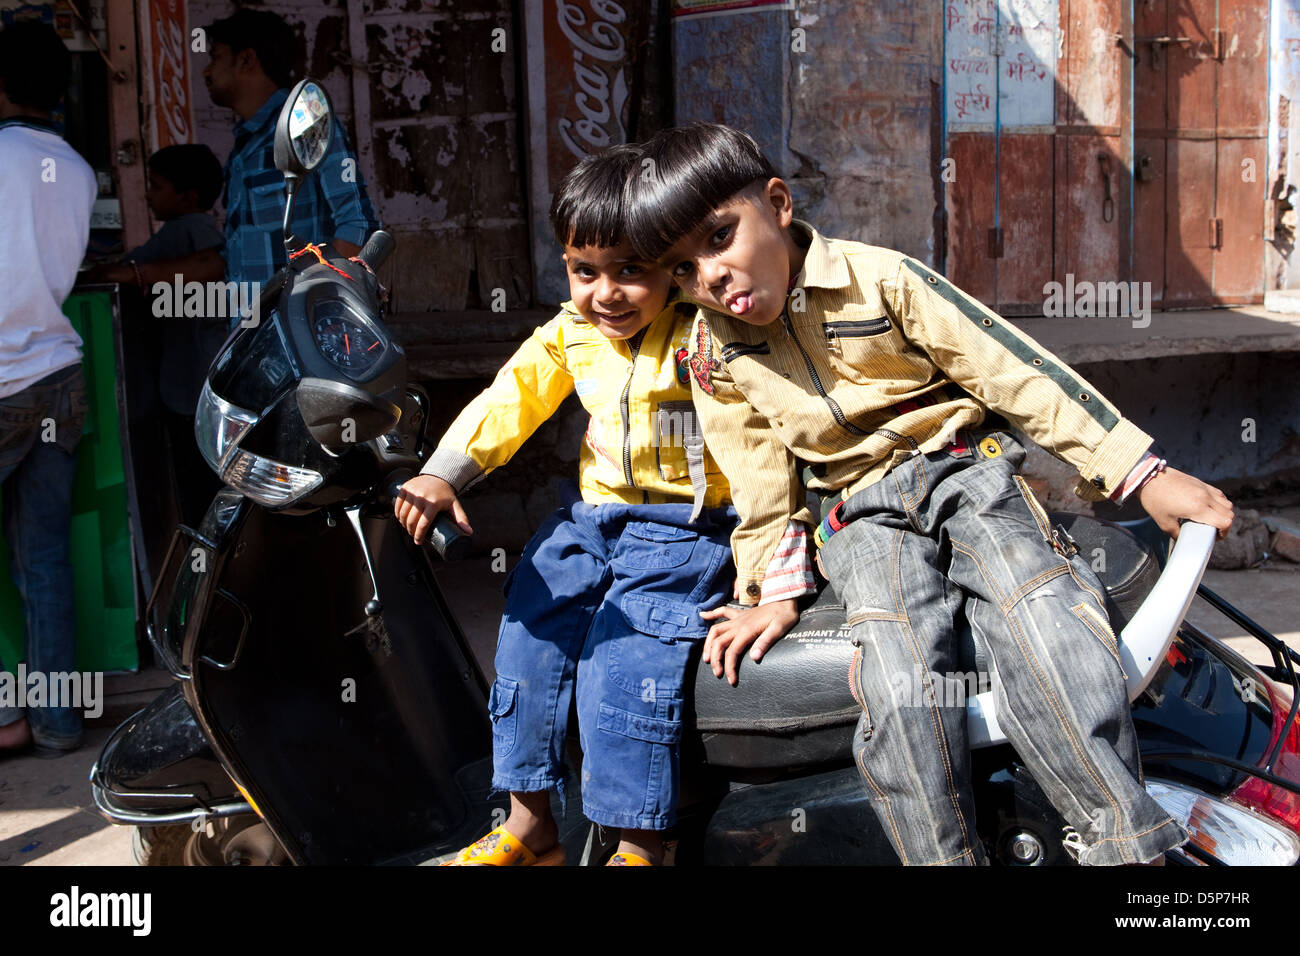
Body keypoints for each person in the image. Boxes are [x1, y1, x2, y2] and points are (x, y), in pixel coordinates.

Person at [623, 123, 1236, 866]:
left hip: (967, 475)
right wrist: (772, 589)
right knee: (898, 677)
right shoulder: (712, 352)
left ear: (778, 204)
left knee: (1040, 614)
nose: (709, 278)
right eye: (684, 271)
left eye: (719, 238)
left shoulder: (884, 279)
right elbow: (758, 480)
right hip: (863, 517)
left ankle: (1126, 847)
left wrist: (1140, 471)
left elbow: (1012, 371)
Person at [393, 146, 813, 865]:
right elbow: (508, 399)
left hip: (686, 530)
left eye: (631, 271)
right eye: (585, 270)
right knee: (527, 642)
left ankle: (643, 845)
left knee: (623, 669)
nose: (605, 294)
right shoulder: (571, 335)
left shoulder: (704, 333)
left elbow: (764, 444)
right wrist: (444, 474)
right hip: (589, 523)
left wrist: (769, 567)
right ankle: (529, 829)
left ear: (673, 270)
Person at [101, 9, 379, 326]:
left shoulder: (306, 121)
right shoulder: (244, 149)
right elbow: (232, 258)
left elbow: (359, 225)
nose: (207, 72)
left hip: (304, 334)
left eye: (216, 57)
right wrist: (137, 273)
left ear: (246, 60)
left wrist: (310, 311)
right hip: (255, 337)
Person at [0, 21, 97, 758]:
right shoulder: (76, 168)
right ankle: (59, 724)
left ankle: (7, 718)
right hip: (59, 376)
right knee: (45, 562)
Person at [86, 144, 227, 526]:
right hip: (203, 377)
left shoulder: (184, 232)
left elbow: (132, 268)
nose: (148, 193)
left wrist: (110, 273)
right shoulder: (203, 230)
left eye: (156, 185)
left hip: (187, 383)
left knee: (196, 479)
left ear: (188, 196)